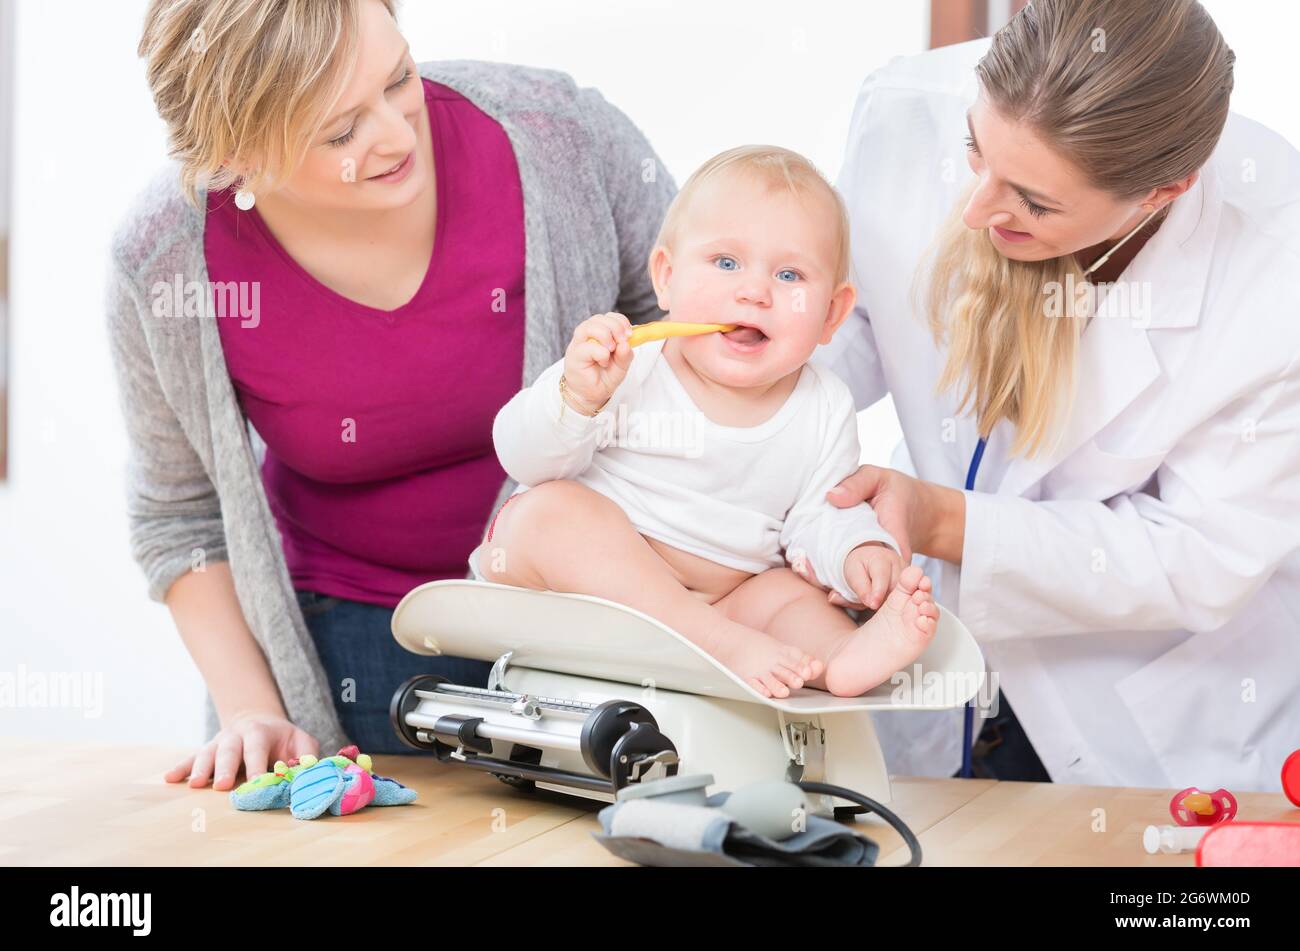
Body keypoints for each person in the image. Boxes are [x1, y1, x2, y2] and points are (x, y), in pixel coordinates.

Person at [107, 0, 674, 788]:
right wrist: (250, 711)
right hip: (348, 658)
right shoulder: (169, 259)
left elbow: (690, 357)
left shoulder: (559, 138)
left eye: (399, 77)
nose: (400, 135)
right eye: (340, 132)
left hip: (591, 632)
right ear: (234, 156)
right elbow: (180, 517)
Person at [814, 0, 1300, 789]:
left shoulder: (1277, 265)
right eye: (975, 152)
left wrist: (940, 518)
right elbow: (856, 315)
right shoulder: (907, 110)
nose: (974, 211)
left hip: (1143, 710)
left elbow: (1197, 555)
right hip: (940, 668)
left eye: (1034, 203)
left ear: (1164, 190)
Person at [475, 146, 940, 698]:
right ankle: (712, 641)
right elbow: (521, 456)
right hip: (590, 585)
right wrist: (576, 399)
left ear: (832, 314)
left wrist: (858, 552)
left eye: (789, 274)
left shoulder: (824, 405)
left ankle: (841, 659)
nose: (753, 290)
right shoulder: (626, 366)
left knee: (788, 595)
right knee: (546, 511)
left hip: (728, 601)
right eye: (725, 263)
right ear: (666, 279)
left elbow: (819, 517)